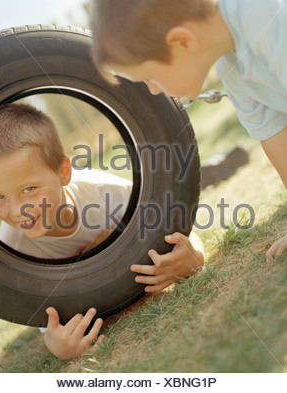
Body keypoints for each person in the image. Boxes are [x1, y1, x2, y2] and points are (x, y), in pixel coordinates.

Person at [0, 103, 204, 359]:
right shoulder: (9, 252)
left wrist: (194, 256)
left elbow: (177, 231)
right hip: (69, 292)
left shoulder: (106, 194)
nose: (16, 211)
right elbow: (43, 313)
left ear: (64, 172)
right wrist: (55, 344)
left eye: (29, 189)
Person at [90, 0, 287, 263]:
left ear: (182, 42)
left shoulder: (264, 14)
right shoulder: (230, 66)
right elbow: (274, 133)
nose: (154, 90)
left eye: (151, 77)